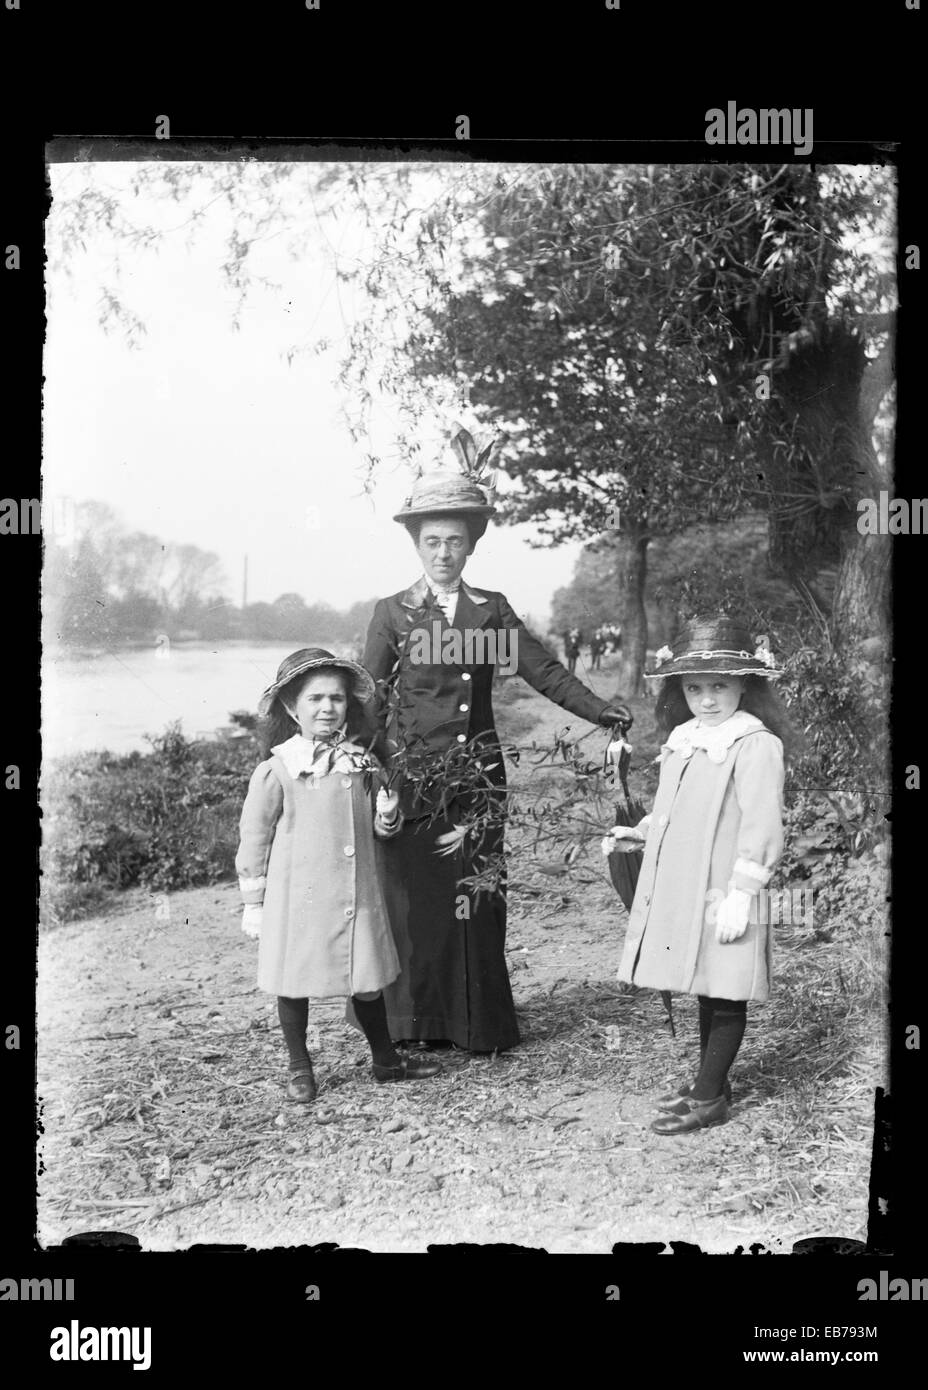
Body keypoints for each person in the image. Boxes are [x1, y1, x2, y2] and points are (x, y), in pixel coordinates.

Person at [364, 457, 632, 1054]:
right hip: (415, 782)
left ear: (471, 545)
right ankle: (417, 1024)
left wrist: (600, 711)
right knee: (422, 902)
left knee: (479, 896)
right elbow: (368, 704)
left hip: (480, 781)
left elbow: (543, 671)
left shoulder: (492, 609)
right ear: (416, 543)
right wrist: (383, 775)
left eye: (454, 542)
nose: (442, 553)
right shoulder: (392, 613)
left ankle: (478, 1024)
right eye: (431, 541)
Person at [605, 617, 792, 1134]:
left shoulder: (753, 744)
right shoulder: (685, 739)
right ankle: (712, 1081)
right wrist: (641, 832)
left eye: (719, 687)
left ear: (743, 687)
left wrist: (743, 894)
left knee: (728, 988)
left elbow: (761, 825)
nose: (707, 699)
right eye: (694, 688)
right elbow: (675, 808)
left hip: (729, 888)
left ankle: (710, 1099)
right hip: (689, 885)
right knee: (708, 985)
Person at [236, 648, 443, 1102]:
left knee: (365, 977)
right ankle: (299, 1066)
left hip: (355, 891)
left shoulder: (363, 762)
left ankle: (385, 1060)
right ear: (292, 708)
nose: (327, 708)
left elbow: (380, 830)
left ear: (348, 705)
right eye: (314, 699)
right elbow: (254, 838)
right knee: (294, 980)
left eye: (336, 698)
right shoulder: (279, 770)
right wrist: (254, 902)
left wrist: (387, 815)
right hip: (301, 896)